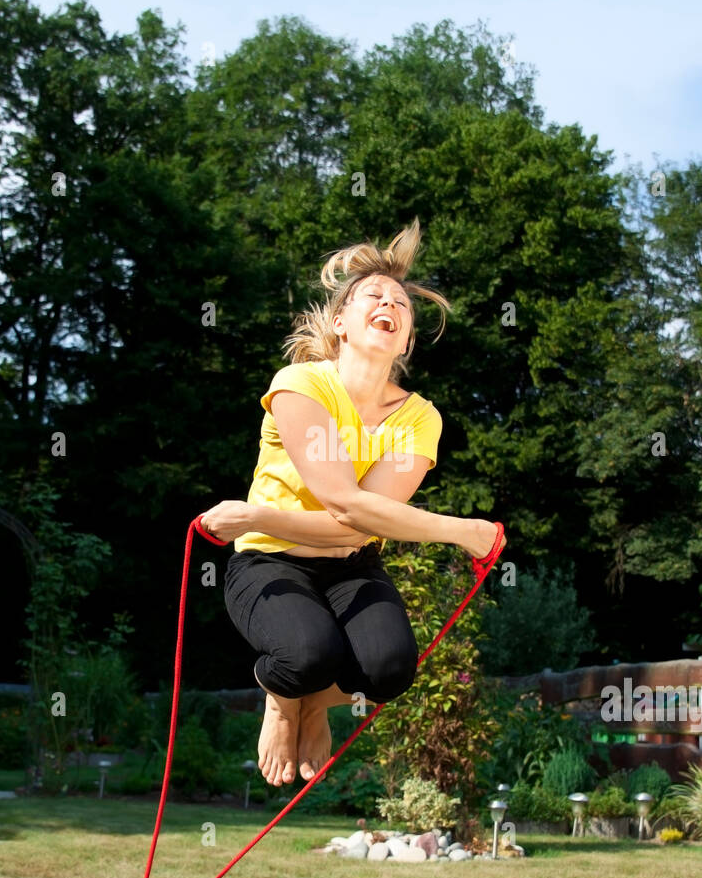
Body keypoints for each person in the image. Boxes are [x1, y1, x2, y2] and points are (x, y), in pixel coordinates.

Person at [200, 218, 500, 788]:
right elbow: (345, 502)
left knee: (389, 670)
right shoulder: (300, 384)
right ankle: (284, 700)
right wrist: (463, 530)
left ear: (407, 338)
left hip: (349, 561)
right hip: (269, 558)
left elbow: (355, 527)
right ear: (340, 322)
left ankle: (314, 706)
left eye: (402, 304)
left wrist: (262, 510)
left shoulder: (420, 417)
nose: (390, 303)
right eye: (374, 296)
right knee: (307, 655)